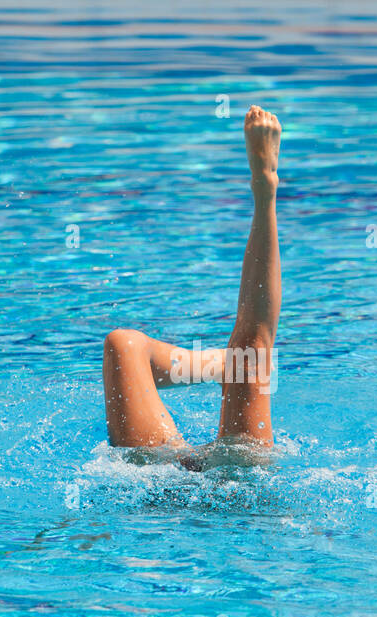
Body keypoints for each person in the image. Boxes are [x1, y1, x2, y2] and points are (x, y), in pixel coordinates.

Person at [101, 105, 282, 469]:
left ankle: (221, 365)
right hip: (232, 478)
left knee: (122, 344)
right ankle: (265, 191)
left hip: (159, 475)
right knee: (250, 349)